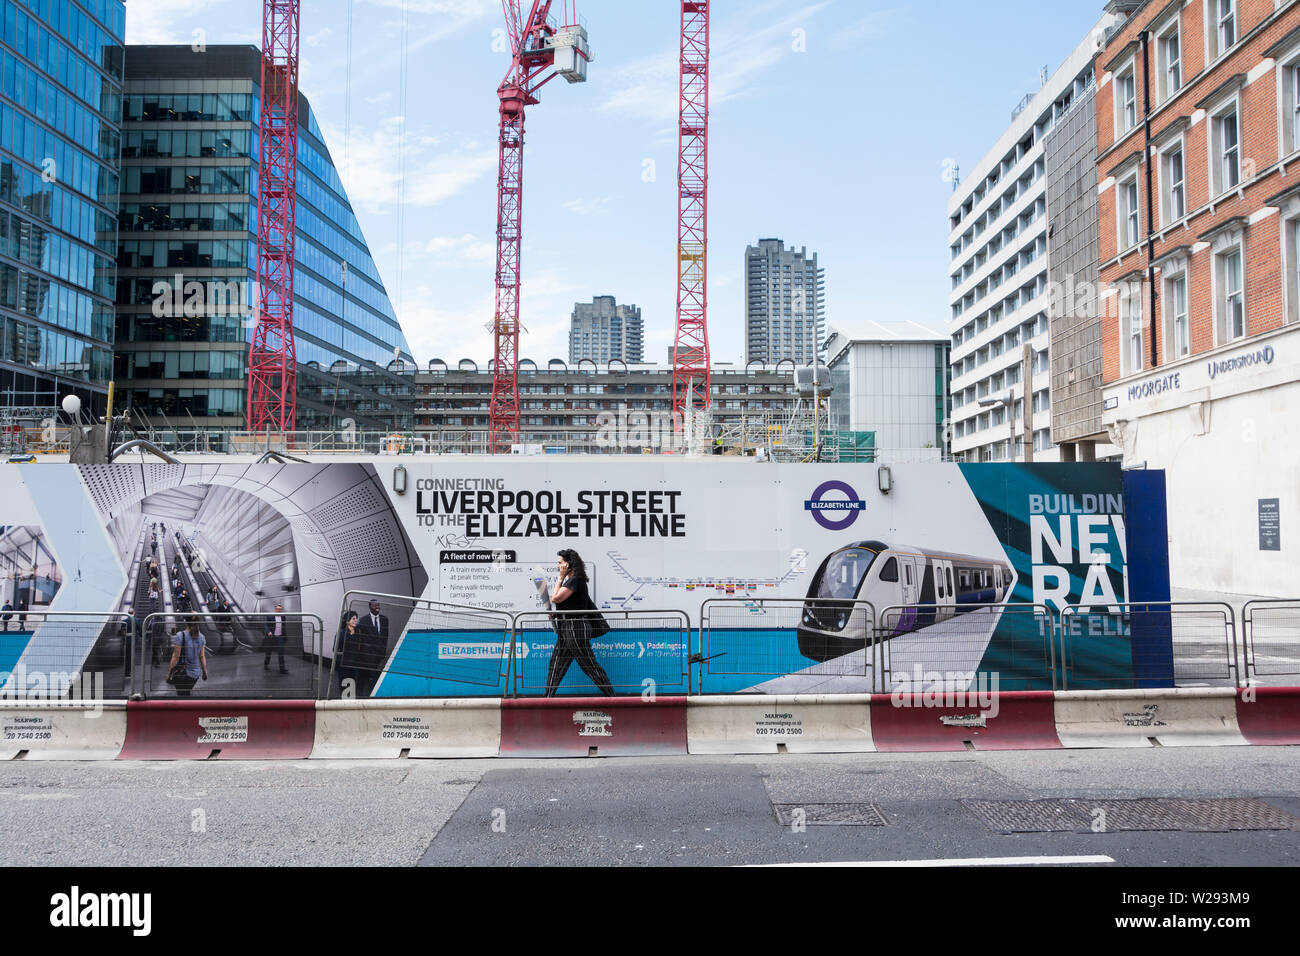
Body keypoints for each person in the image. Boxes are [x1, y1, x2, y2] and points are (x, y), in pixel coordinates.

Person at [544, 549, 614, 697]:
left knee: (589, 665)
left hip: (575, 628)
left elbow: (556, 598)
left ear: (568, 564)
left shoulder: (575, 580)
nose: (557, 566)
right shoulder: (573, 581)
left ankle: (612, 697)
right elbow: (573, 604)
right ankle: (547, 699)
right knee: (556, 664)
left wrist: (560, 578)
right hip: (567, 627)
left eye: (560, 563)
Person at [356, 600, 389, 697]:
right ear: (370, 607)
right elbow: (360, 637)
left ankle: (372, 692)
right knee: (369, 675)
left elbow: (386, 636)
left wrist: (383, 650)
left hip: (379, 653)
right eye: (374, 605)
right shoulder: (363, 620)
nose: (377, 607)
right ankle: (366, 693)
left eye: (378, 605)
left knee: (374, 673)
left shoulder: (384, 619)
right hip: (367, 653)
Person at [167, 620, 207, 697]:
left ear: (186, 622)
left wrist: (169, 674)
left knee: (181, 694)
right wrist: (204, 672)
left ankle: (183, 706)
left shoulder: (180, 635)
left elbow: (175, 657)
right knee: (187, 692)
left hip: (182, 672)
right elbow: (202, 657)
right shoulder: (202, 637)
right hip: (195, 674)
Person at [335, 611, 360, 696]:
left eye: (356, 618)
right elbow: (335, 649)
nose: (356, 620)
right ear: (347, 620)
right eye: (353, 618)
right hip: (344, 665)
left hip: (355, 664)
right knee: (344, 686)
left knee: (354, 685)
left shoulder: (358, 632)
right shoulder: (341, 633)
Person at [263, 603, 288, 674]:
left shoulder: (283, 617)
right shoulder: (270, 616)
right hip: (271, 637)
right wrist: (269, 632)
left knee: (281, 653)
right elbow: (266, 625)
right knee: (268, 652)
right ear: (275, 609)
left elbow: (283, 626)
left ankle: (282, 669)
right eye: (277, 609)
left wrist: (284, 635)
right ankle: (266, 664)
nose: (279, 610)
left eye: (280, 609)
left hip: (279, 637)